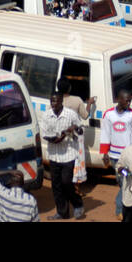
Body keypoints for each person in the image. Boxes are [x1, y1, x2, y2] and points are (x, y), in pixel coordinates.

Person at [41, 91, 85, 219]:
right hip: (54, 156)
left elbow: (80, 130)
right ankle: (62, 212)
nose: (53, 104)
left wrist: (75, 128)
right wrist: (66, 132)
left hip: (68, 155)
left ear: (61, 101)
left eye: (56, 101)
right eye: (52, 101)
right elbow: (51, 139)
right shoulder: (46, 116)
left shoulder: (71, 114)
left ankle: (78, 204)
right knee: (56, 186)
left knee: (66, 182)